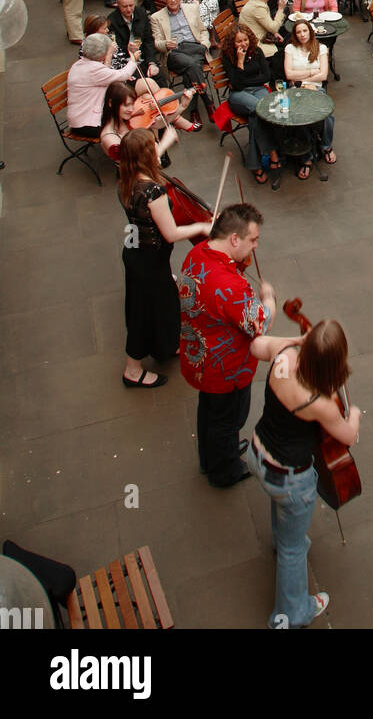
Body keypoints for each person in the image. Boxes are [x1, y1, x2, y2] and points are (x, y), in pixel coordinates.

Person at [246, 320, 361, 629]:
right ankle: (292, 614)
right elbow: (347, 436)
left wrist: (294, 339)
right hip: (289, 478)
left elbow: (256, 345)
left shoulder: (283, 353)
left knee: (280, 506)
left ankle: (280, 538)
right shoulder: (320, 403)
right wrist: (355, 415)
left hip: (257, 453)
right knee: (293, 549)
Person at [179, 204, 275, 487]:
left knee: (208, 411)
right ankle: (224, 470)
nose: (255, 246)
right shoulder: (231, 286)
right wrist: (269, 300)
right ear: (234, 239)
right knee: (228, 420)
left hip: (199, 358)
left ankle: (209, 458)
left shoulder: (196, 254)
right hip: (226, 368)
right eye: (253, 240)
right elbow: (260, 323)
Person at [116, 130, 211, 389]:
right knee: (143, 314)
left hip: (134, 249)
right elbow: (171, 233)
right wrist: (202, 228)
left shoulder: (125, 176)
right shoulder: (154, 193)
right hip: (150, 261)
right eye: (154, 146)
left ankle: (167, 345)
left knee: (166, 302)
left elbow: (147, 159)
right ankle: (132, 370)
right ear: (145, 156)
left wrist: (168, 139)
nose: (157, 148)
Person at [221, 24, 282, 183]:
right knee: (260, 109)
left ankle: (255, 164)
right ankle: (273, 152)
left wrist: (244, 81)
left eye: (245, 40)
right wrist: (240, 63)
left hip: (257, 89)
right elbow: (237, 85)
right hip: (238, 96)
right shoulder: (228, 57)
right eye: (238, 41)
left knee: (259, 115)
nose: (243, 44)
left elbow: (266, 77)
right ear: (232, 43)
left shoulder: (257, 51)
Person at [149, 0, 211, 125]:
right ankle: (207, 101)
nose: (173, 0)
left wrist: (205, 43)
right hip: (175, 52)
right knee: (193, 65)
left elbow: (203, 30)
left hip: (194, 47)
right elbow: (157, 43)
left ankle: (194, 111)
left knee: (191, 67)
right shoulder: (156, 17)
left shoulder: (192, 8)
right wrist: (165, 44)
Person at [283, 20, 336, 172]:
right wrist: (311, 74)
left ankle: (326, 146)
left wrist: (301, 78)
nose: (302, 35)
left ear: (310, 32)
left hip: (316, 89)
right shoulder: (290, 48)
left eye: (305, 31)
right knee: (300, 117)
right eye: (299, 32)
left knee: (328, 115)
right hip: (297, 90)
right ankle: (306, 156)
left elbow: (324, 75)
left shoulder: (321, 48)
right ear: (295, 34)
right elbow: (288, 74)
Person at [67, 33, 141, 136]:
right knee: (126, 125)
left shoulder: (79, 65)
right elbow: (124, 74)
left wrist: (108, 54)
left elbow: (103, 73)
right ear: (102, 54)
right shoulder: (93, 69)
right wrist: (133, 60)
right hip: (88, 124)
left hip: (78, 119)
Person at [238, 0, 291, 76]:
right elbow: (273, 27)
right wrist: (280, 9)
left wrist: (274, 33)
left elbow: (267, 25)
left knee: (287, 39)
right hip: (254, 45)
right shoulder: (258, 7)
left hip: (258, 37)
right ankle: (277, 76)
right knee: (284, 50)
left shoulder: (257, 2)